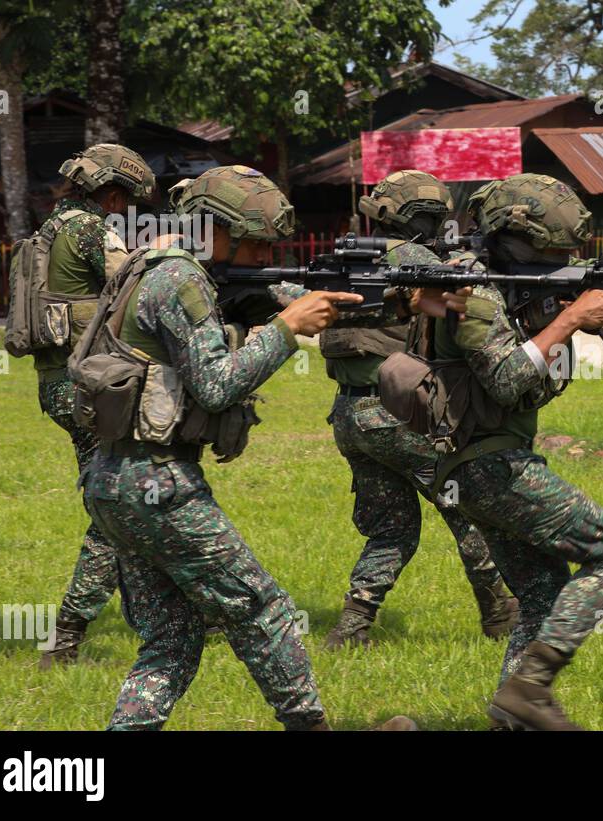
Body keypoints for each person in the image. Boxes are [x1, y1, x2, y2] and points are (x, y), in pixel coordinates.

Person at [73, 165, 458, 728]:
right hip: (158, 486)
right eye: (255, 243)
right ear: (217, 228)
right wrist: (284, 330)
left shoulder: (156, 264)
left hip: (114, 482)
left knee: (172, 638)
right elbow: (217, 383)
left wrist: (401, 303)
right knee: (266, 611)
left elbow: (305, 298)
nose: (262, 256)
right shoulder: (180, 280)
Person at [401, 173, 603, 730]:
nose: (564, 258)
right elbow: (508, 380)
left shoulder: (500, 283)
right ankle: (531, 687)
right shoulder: (474, 287)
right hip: (488, 465)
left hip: (480, 462)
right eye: (556, 250)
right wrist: (570, 320)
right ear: (520, 237)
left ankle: (514, 719)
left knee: (543, 592)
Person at [323, 170, 517, 648]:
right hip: (400, 414)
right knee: (469, 507)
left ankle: (352, 627)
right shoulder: (414, 260)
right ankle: (502, 616)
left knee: (392, 531)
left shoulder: (352, 259)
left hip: (350, 416)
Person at [23, 144, 157, 669]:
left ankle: (150, 613)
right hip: (88, 389)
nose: (122, 211)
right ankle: (66, 637)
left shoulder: (46, 231)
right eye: (123, 201)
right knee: (116, 508)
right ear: (112, 192)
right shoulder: (91, 228)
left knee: (118, 499)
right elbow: (136, 289)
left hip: (55, 382)